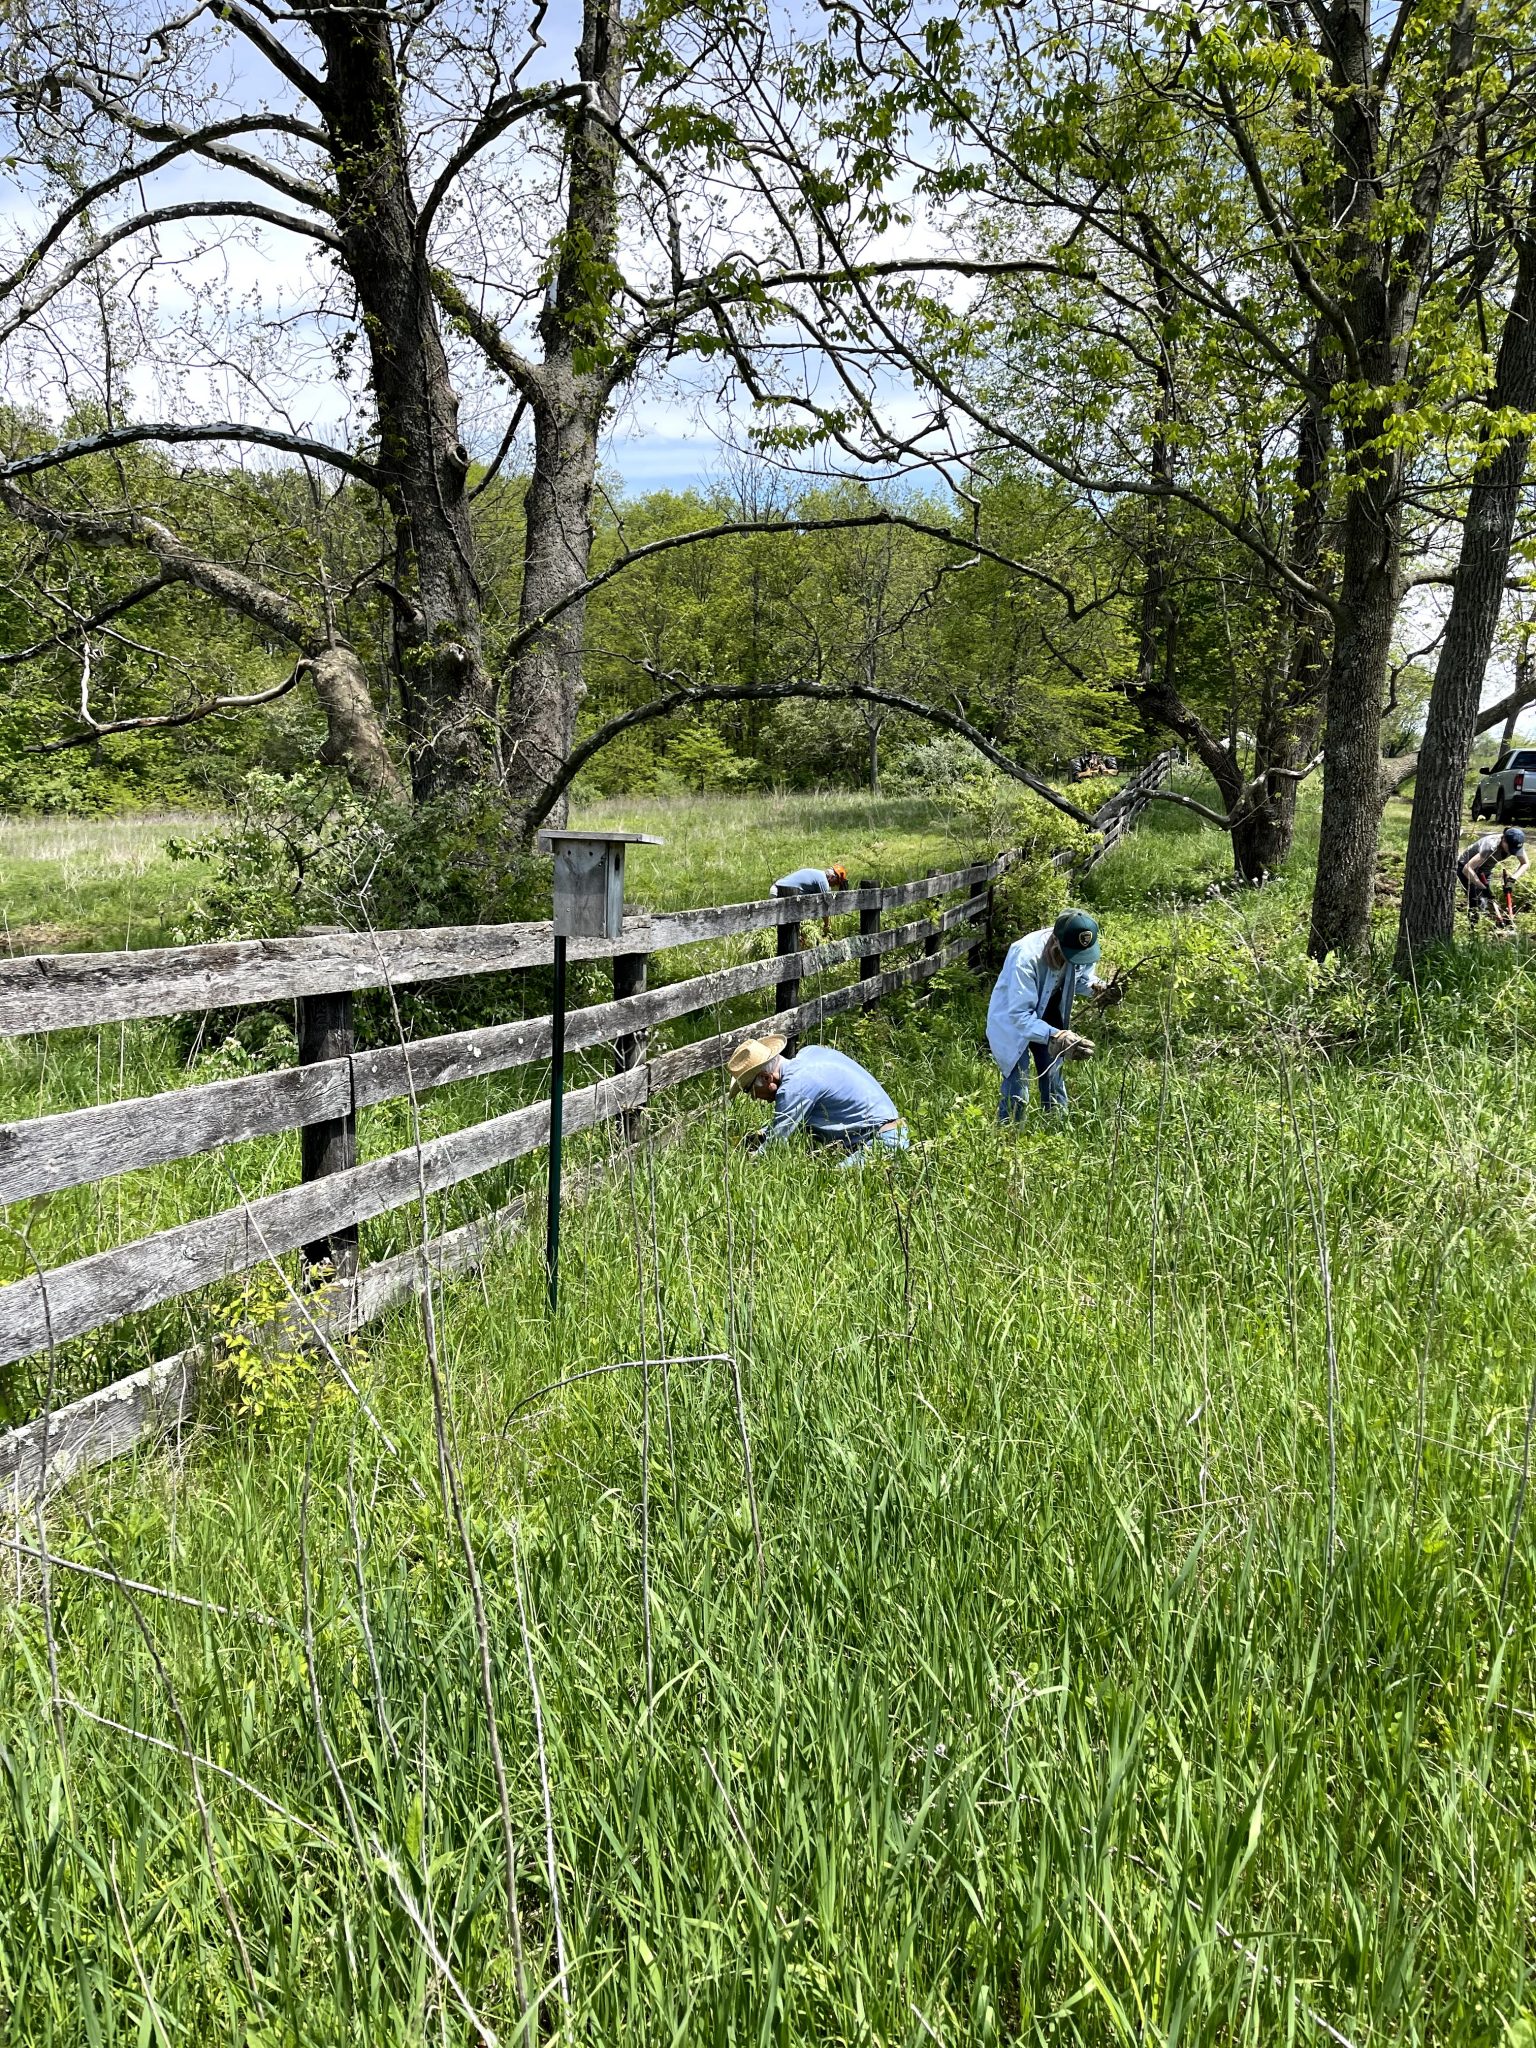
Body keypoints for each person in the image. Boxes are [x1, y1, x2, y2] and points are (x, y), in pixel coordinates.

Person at [987, 908, 1107, 1120]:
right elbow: (1020, 1016)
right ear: (1056, 941)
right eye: (1070, 954)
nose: (1075, 960)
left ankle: (1056, 1130)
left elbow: (1081, 979)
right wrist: (1057, 1036)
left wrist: (1099, 989)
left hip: (1050, 1011)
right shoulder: (1025, 955)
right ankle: (1008, 1137)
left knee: (1053, 1074)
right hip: (1015, 1018)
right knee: (1018, 1084)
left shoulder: (1079, 946)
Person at [727, 1034, 909, 1165]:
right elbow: (788, 1124)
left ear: (767, 1078)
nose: (753, 1098)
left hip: (884, 1142)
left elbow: (775, 1145)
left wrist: (740, 1166)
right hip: (888, 1132)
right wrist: (756, 1137)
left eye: (749, 1090)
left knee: (835, 1184)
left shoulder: (794, 1088)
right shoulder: (810, 1054)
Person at [1457, 826, 1528, 925]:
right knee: (1477, 901)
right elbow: (1467, 869)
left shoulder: (1515, 845)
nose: (1513, 852)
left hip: (1485, 871)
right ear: (1504, 840)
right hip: (1466, 868)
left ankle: (1486, 926)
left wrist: (1512, 880)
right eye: (1510, 849)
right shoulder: (1490, 846)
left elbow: (1525, 863)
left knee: (1485, 901)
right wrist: (1482, 887)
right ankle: (1473, 930)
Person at [774, 863, 850, 936]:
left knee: (778, 926)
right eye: (836, 882)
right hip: (783, 894)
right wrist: (827, 925)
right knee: (786, 931)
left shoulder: (818, 875)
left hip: (776, 889)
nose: (835, 885)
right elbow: (824, 907)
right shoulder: (823, 882)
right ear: (832, 877)